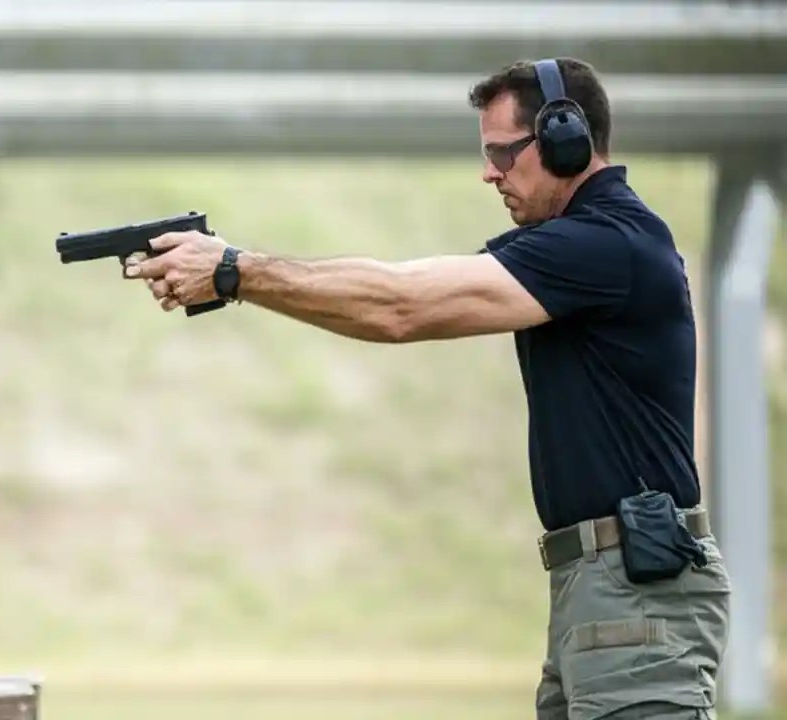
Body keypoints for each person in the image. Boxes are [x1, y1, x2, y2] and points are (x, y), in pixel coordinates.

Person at [124, 57, 732, 719]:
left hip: (632, 595)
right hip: (602, 591)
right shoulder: (591, 246)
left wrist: (236, 272)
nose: (489, 172)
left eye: (503, 152)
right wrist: (236, 276)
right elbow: (388, 305)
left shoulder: (605, 246)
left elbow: (399, 307)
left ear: (566, 137)